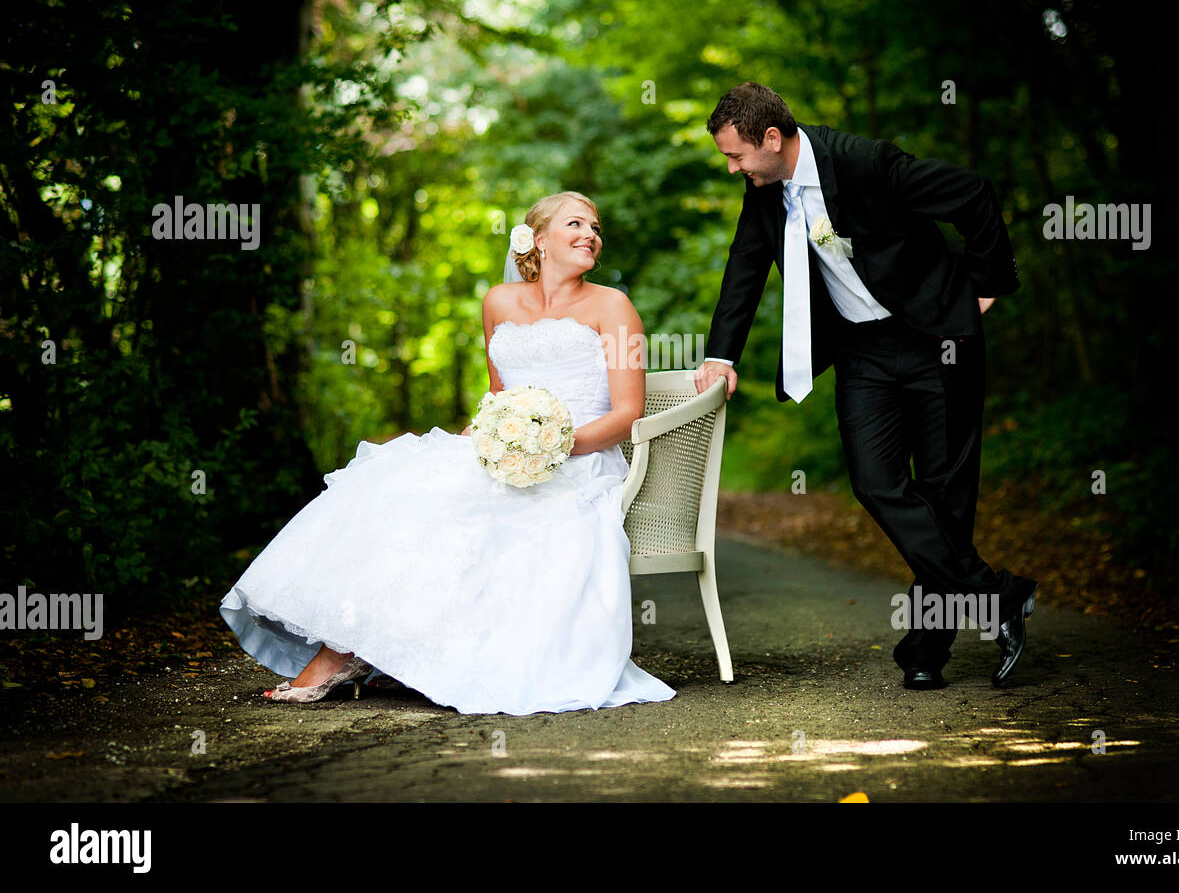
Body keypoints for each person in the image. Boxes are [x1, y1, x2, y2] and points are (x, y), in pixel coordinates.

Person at [219, 191, 676, 714]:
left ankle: (365, 657)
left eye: (596, 227)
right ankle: (352, 647)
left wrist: (551, 449)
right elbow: (498, 399)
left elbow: (627, 415)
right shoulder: (498, 303)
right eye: (576, 223)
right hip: (505, 451)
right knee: (404, 486)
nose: (591, 235)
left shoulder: (614, 306)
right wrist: (488, 440)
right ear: (538, 239)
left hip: (579, 461)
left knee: (492, 516)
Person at [692, 82, 1036, 690]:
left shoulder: (866, 161)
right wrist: (720, 355)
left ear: (772, 140)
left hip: (937, 340)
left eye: (736, 155)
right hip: (862, 352)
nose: (732, 167)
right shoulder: (765, 192)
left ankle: (928, 651)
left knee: (944, 496)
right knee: (876, 482)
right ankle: (999, 595)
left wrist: (986, 287)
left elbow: (973, 194)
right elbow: (744, 270)